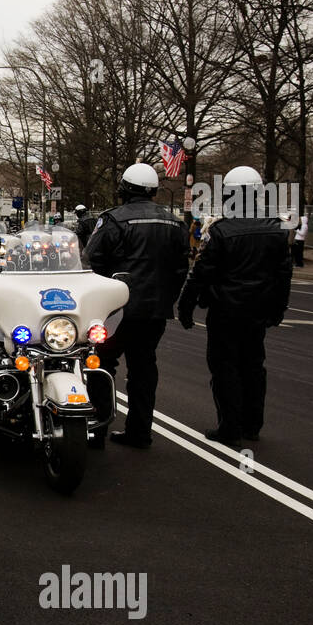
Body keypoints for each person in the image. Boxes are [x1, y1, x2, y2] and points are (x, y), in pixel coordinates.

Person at [177, 165, 292, 449]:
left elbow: (201, 273)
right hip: (257, 312)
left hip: (226, 312)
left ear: (229, 194)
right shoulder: (276, 229)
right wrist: (278, 310)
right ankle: (252, 425)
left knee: (224, 367)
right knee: (253, 367)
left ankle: (230, 427)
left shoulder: (221, 231)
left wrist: (186, 307)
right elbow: (283, 276)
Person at [84, 162, 190, 448]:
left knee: (100, 365)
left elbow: (90, 261)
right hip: (155, 310)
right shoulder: (174, 222)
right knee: (144, 368)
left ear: (124, 189)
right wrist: (168, 299)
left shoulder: (113, 220)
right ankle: (140, 431)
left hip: (117, 310)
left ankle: (97, 429)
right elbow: (181, 269)